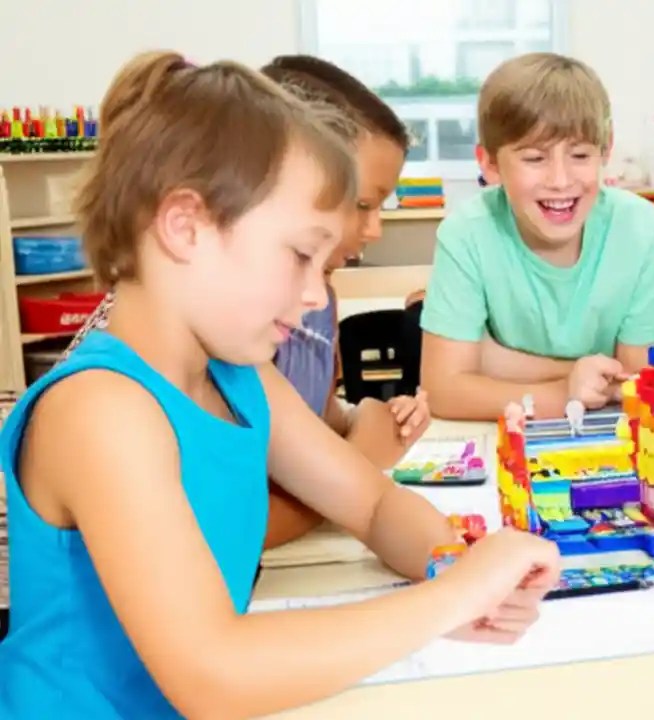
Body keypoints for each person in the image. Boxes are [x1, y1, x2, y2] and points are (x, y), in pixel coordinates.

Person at [0, 51, 559, 719]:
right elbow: (213, 672)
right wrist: (449, 600)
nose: (312, 296)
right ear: (186, 226)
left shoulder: (243, 379)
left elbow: (376, 506)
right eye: (299, 255)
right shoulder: (99, 411)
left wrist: (451, 567)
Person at [417, 52, 654, 421]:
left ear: (606, 151)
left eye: (581, 155)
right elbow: (443, 391)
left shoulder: (638, 226)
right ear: (489, 164)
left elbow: (637, 381)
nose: (560, 180)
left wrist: (498, 363)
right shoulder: (467, 233)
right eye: (535, 159)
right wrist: (566, 387)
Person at [258, 55, 429, 549]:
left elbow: (314, 417)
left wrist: (365, 419)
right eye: (361, 204)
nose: (374, 229)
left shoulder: (316, 300)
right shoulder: (232, 330)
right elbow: (236, 532)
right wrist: (360, 459)